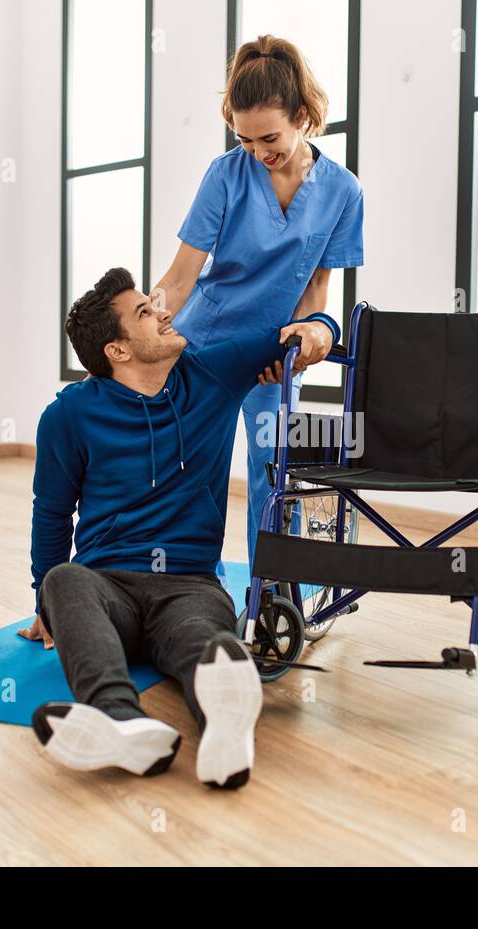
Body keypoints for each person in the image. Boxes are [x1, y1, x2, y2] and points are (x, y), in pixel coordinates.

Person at [21, 266, 337, 790]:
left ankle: (225, 726)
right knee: (62, 581)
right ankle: (121, 725)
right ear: (117, 351)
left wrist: (319, 331)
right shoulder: (69, 415)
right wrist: (44, 604)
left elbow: (304, 329)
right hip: (106, 585)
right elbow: (51, 512)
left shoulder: (212, 373)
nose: (165, 311)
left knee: (205, 643)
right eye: (145, 313)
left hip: (189, 583)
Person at [149, 34, 364, 568]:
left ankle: (270, 592)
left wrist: (300, 343)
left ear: (303, 115)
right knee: (197, 470)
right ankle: (197, 587)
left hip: (272, 356)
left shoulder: (343, 192)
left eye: (268, 137)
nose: (257, 152)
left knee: (272, 469)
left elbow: (317, 292)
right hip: (204, 345)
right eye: (244, 140)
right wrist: (143, 326)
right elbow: (180, 277)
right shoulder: (226, 175)